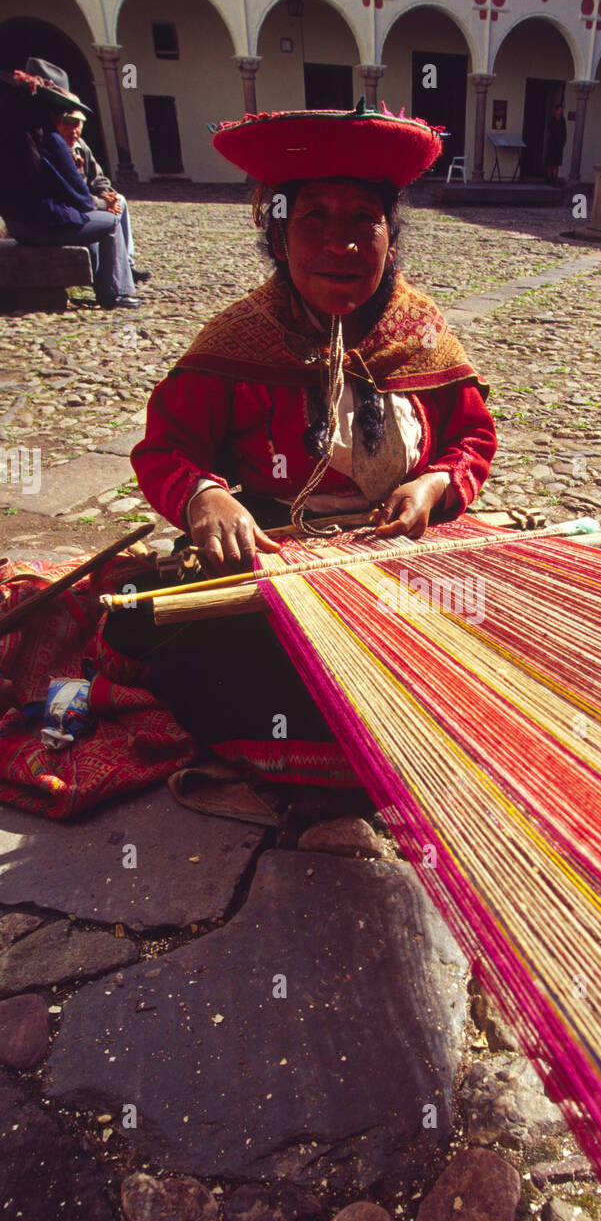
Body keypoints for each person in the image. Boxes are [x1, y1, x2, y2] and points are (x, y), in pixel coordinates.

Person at [102, 100, 496, 787]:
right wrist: (204, 499)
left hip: (400, 547)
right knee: (228, 654)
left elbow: (468, 434)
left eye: (362, 221)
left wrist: (433, 485)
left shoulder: (420, 332)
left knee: (491, 628)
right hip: (278, 555)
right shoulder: (237, 341)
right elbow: (166, 449)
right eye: (313, 217)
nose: (340, 244)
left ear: (389, 240)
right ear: (279, 239)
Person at [0, 59, 139, 310]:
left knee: (87, 218)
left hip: (17, 224)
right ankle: (117, 293)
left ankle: (100, 277)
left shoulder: (12, 134)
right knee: (108, 222)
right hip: (42, 226)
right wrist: (103, 202)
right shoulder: (49, 138)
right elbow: (80, 198)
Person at [55, 107, 150, 284]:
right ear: (59, 124)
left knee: (120, 200)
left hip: (91, 199)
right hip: (74, 206)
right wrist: (102, 203)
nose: (73, 130)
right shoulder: (57, 150)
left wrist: (107, 195)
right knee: (109, 217)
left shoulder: (81, 146)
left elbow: (97, 176)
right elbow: (72, 192)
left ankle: (126, 265)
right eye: (68, 124)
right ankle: (113, 273)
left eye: (77, 125)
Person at [545, 103, 567, 184]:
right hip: (552, 143)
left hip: (559, 144)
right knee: (550, 162)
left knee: (556, 163)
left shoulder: (562, 121)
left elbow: (564, 133)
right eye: (559, 110)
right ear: (556, 110)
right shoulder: (552, 120)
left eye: (561, 110)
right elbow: (550, 130)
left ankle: (554, 179)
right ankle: (549, 178)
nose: (560, 112)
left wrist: (562, 142)